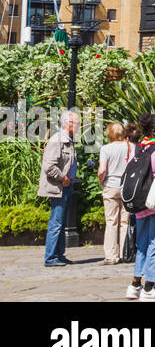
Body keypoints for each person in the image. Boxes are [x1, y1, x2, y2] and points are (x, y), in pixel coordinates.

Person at [127, 114, 155, 301]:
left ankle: (135, 285)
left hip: (140, 203)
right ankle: (149, 288)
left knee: (143, 245)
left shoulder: (138, 148)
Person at [39, 111, 78, 268]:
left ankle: (59, 255)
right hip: (58, 187)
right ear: (68, 124)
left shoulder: (68, 140)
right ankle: (50, 257)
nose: (79, 126)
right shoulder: (57, 140)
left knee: (61, 223)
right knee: (56, 223)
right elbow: (48, 166)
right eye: (77, 123)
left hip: (66, 187)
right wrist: (63, 178)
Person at [97, 122, 133, 265]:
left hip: (111, 185)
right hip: (126, 186)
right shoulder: (130, 147)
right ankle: (125, 253)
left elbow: (102, 170)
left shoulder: (106, 149)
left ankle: (111, 255)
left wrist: (101, 181)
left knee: (111, 221)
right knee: (125, 221)